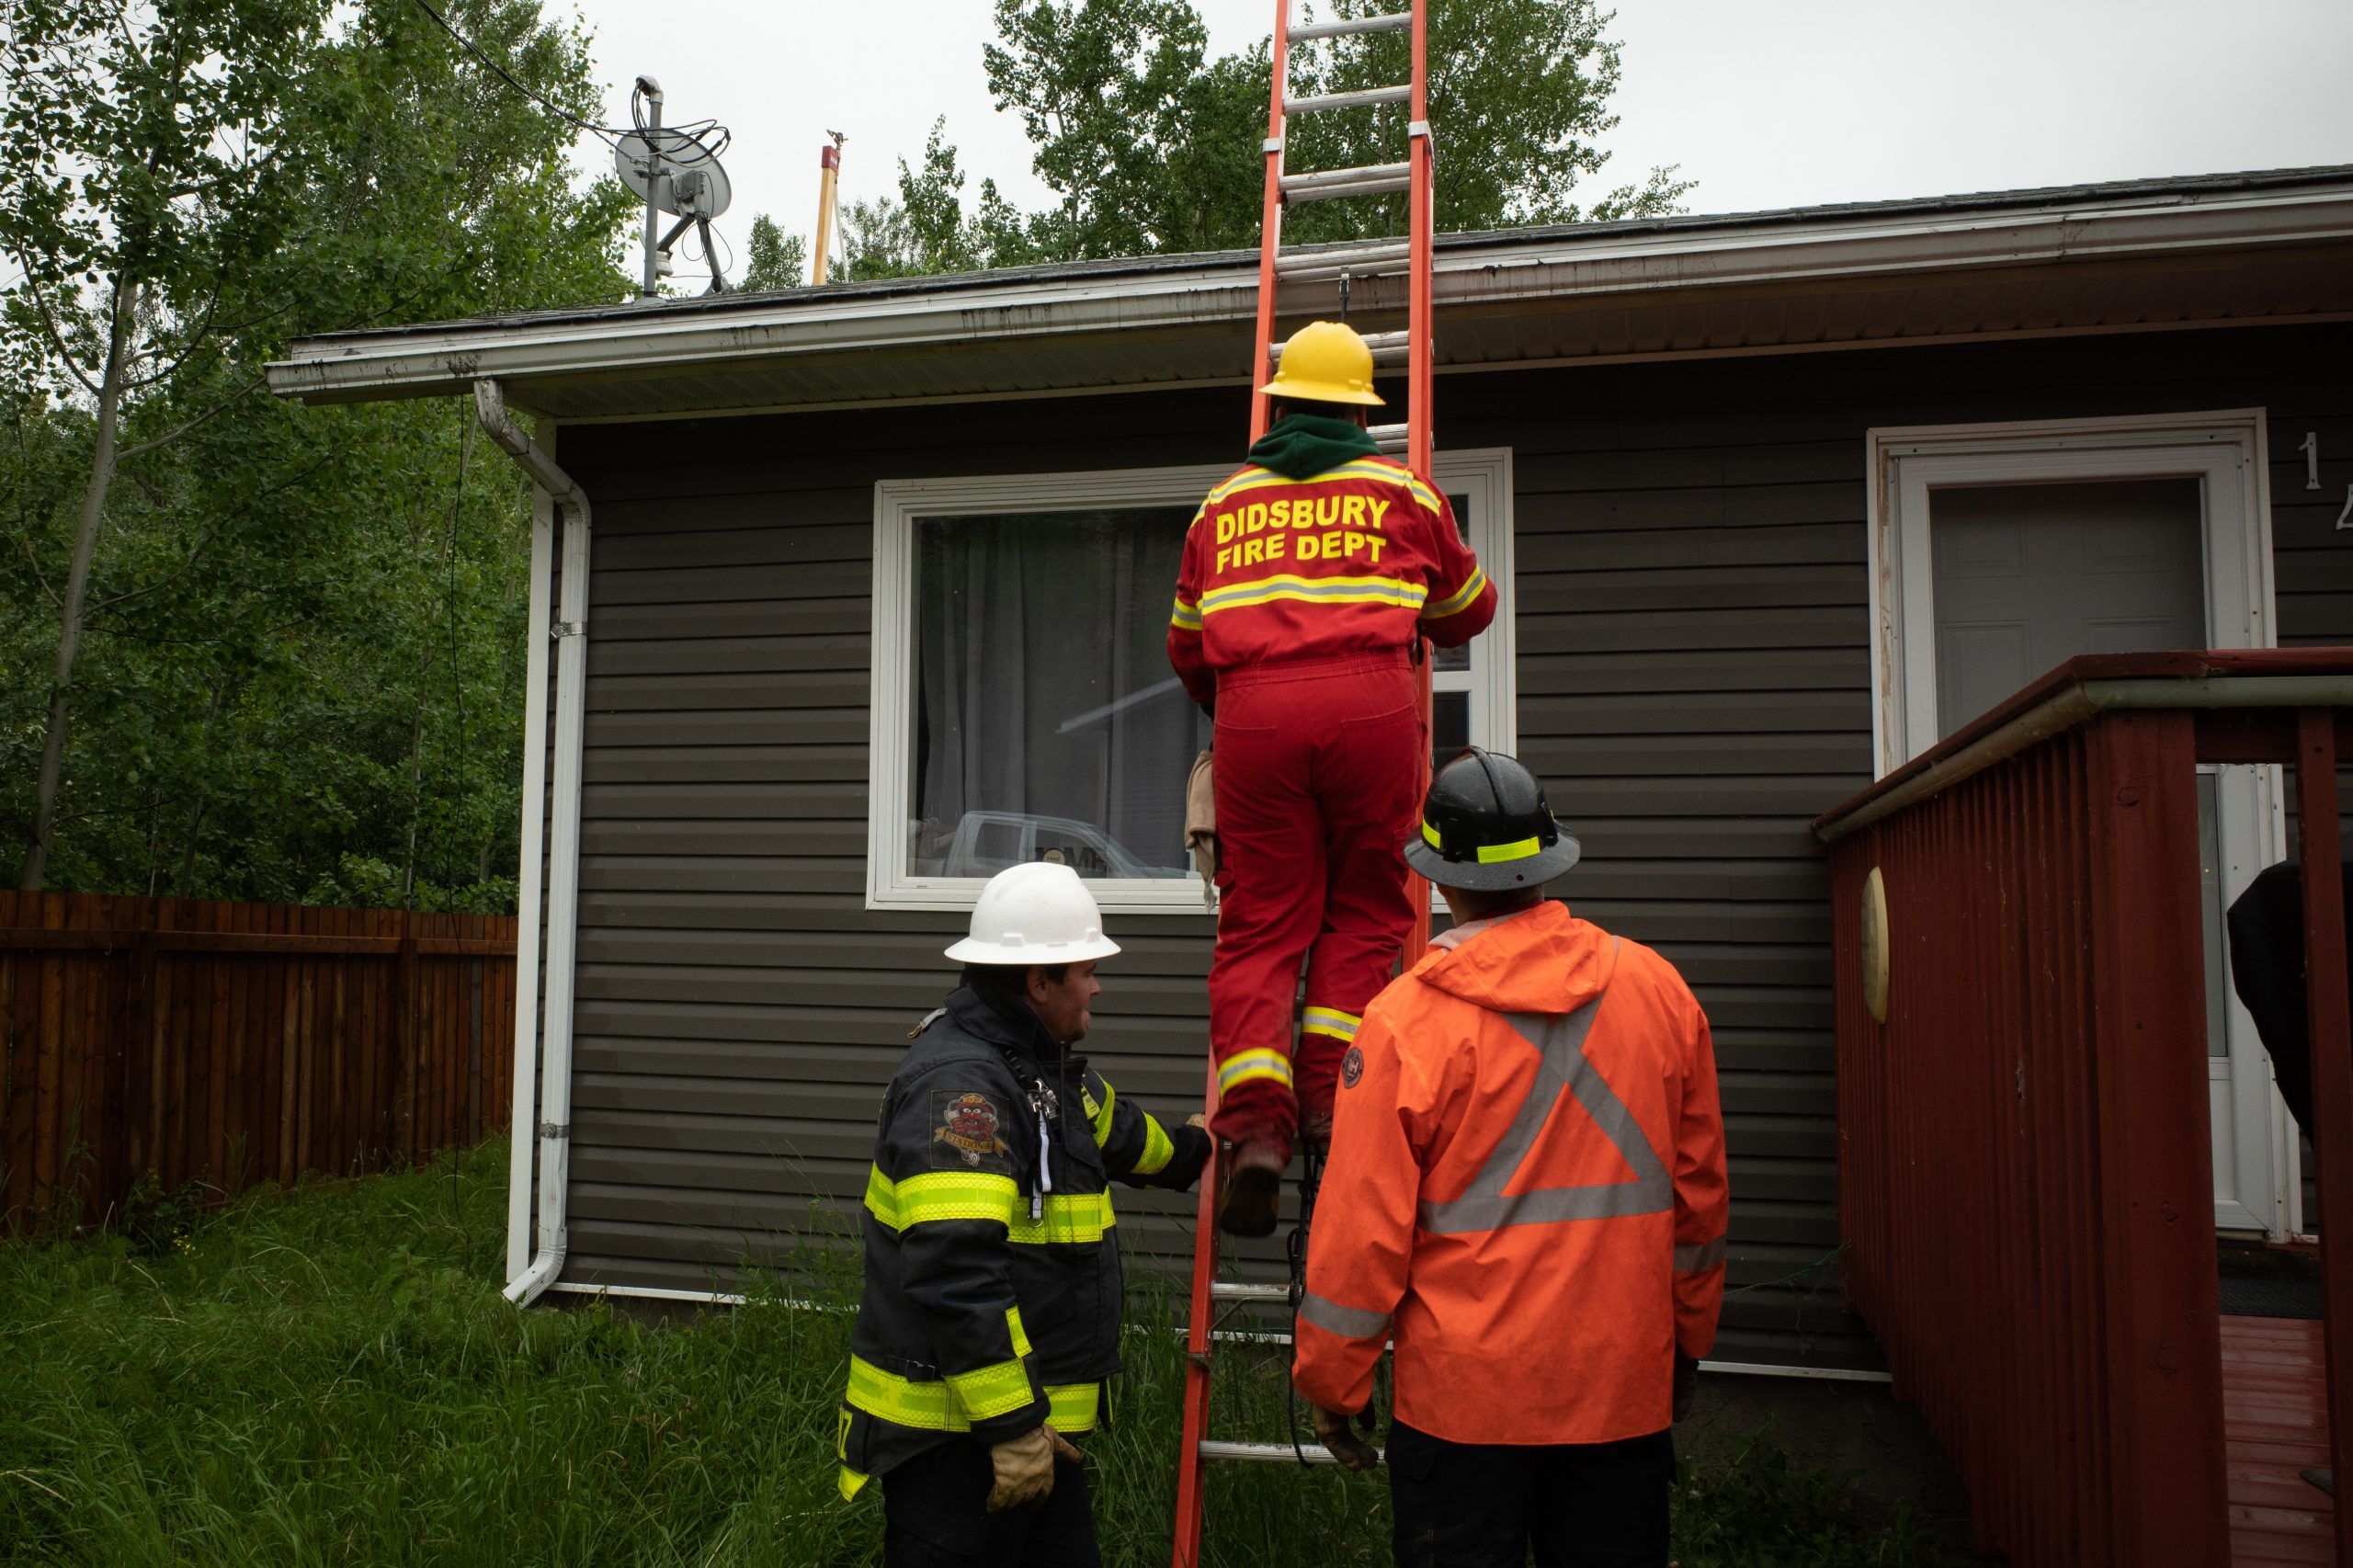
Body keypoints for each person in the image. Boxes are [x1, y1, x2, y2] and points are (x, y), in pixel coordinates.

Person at [1290, 748, 1730, 1568]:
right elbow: (1699, 1202)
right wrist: (1687, 1342)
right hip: (1618, 1394)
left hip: (1463, 1415)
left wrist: (1331, 1384)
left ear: (1437, 876)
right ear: (1549, 858)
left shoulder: (1401, 1025)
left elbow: (1359, 1236)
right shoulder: (1659, 992)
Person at [1167, 319, 1498, 1238]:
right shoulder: (1402, 490)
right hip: (1371, 714)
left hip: (1254, 720)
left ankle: (1256, 1133)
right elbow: (1470, 612)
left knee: (1261, 925)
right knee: (1365, 911)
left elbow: (1186, 647)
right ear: (1359, 412)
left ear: (1278, 408)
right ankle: (1329, 1101)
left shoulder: (1220, 506)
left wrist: (1244, 708)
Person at [835, 862, 1212, 1565]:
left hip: (1033, 1433)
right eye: (1087, 971)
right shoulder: (963, 1092)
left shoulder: (1040, 1070)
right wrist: (1011, 1431)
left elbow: (1120, 1137)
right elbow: (954, 1273)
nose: (1097, 987)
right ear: (1040, 982)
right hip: (961, 1443)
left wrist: (1202, 1149)